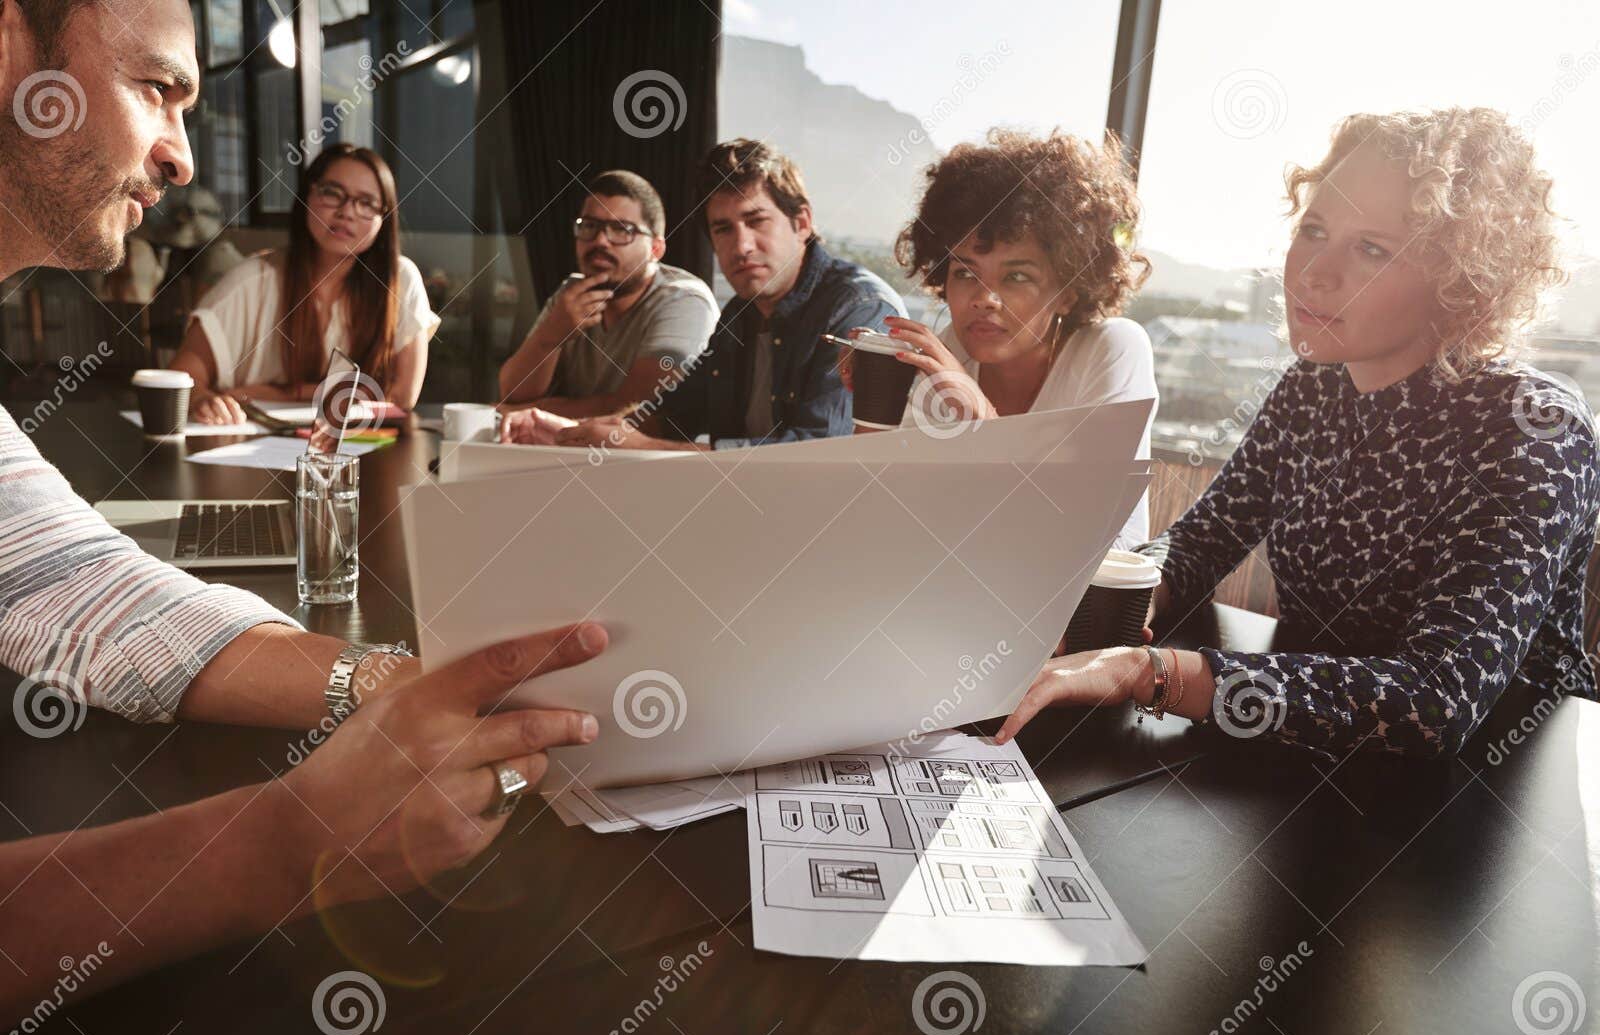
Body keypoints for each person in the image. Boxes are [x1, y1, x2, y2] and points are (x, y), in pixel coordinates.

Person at [0, 0, 605, 1023]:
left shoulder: (394, 286)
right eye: (157, 88)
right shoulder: (262, 278)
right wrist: (292, 840)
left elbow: (75, 587)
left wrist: (396, 680)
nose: (182, 155)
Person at [997, 108, 1599, 760]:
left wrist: (1151, 673)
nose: (1314, 272)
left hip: (1499, 785)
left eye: (1372, 248)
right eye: (1314, 230)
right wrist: (1120, 599)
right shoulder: (1312, 386)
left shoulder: (1535, 430)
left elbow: (1435, 703)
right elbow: (1203, 539)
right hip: (1314, 757)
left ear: (1462, 280)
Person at [842, 129, 1157, 550]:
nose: (983, 299)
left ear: (1069, 291)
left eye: (1017, 276)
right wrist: (873, 410)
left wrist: (983, 424)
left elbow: (1090, 539)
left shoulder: (1112, 349)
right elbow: (878, 518)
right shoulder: (949, 352)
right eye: (965, 272)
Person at [506, 138, 904, 451]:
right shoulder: (740, 312)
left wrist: (646, 448)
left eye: (756, 221)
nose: (741, 246)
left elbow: (817, 451)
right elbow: (674, 413)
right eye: (723, 229)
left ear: (802, 223)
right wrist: (574, 432)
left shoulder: (859, 308)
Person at [173, 142, 439, 424]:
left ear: (383, 217)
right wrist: (203, 399)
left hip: (360, 443)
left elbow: (401, 398)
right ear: (307, 196)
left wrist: (285, 392)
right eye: (333, 193)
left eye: (366, 203)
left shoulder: (400, 279)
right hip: (250, 440)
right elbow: (181, 378)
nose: (347, 212)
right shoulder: (252, 281)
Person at [498, 170, 717, 417]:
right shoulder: (571, 294)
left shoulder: (685, 299)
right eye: (590, 226)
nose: (600, 241)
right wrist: (550, 336)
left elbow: (639, 407)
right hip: (562, 441)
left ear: (655, 249)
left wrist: (532, 412)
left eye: (622, 229)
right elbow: (511, 394)